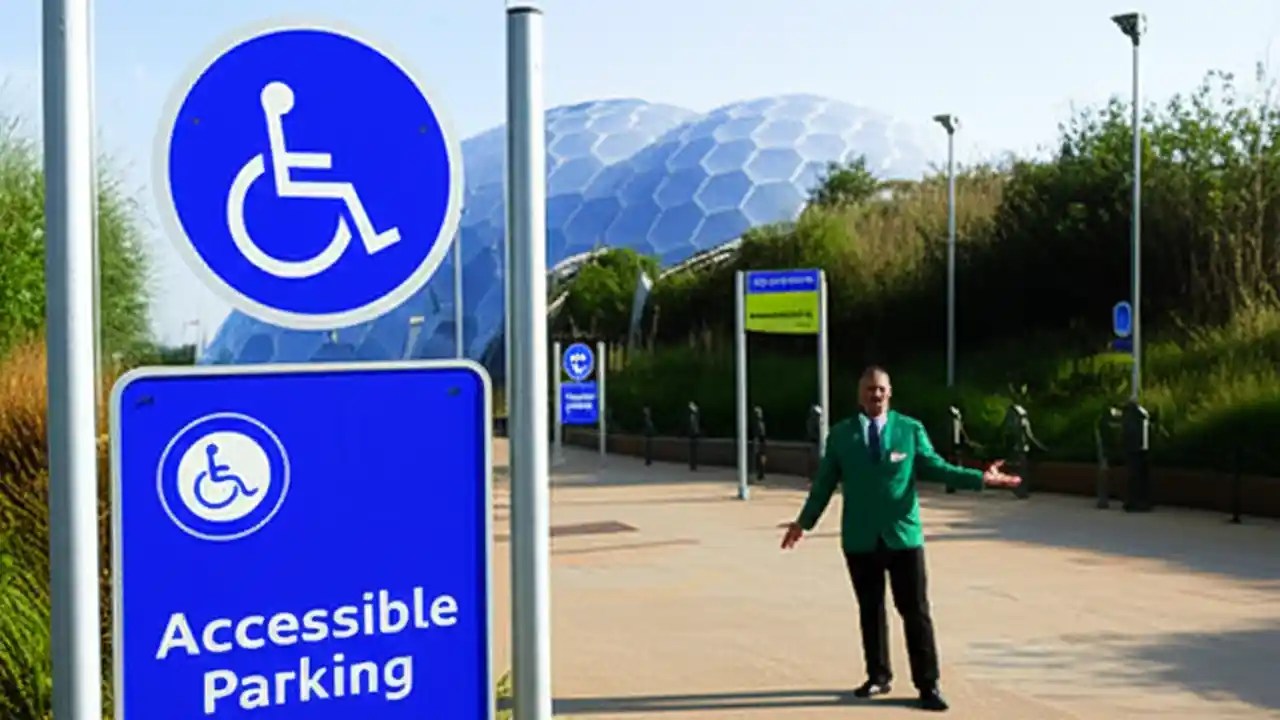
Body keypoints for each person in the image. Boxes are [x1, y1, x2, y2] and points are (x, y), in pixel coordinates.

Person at [781, 365, 1021, 712]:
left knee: (916, 612)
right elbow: (823, 485)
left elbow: (938, 468)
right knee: (871, 610)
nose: (875, 395)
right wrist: (803, 523)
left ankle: (928, 684)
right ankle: (878, 675)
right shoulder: (841, 436)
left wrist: (982, 479)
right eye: (868, 390)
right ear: (859, 394)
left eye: (880, 389)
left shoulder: (909, 430)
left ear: (889, 393)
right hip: (861, 539)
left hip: (903, 538)